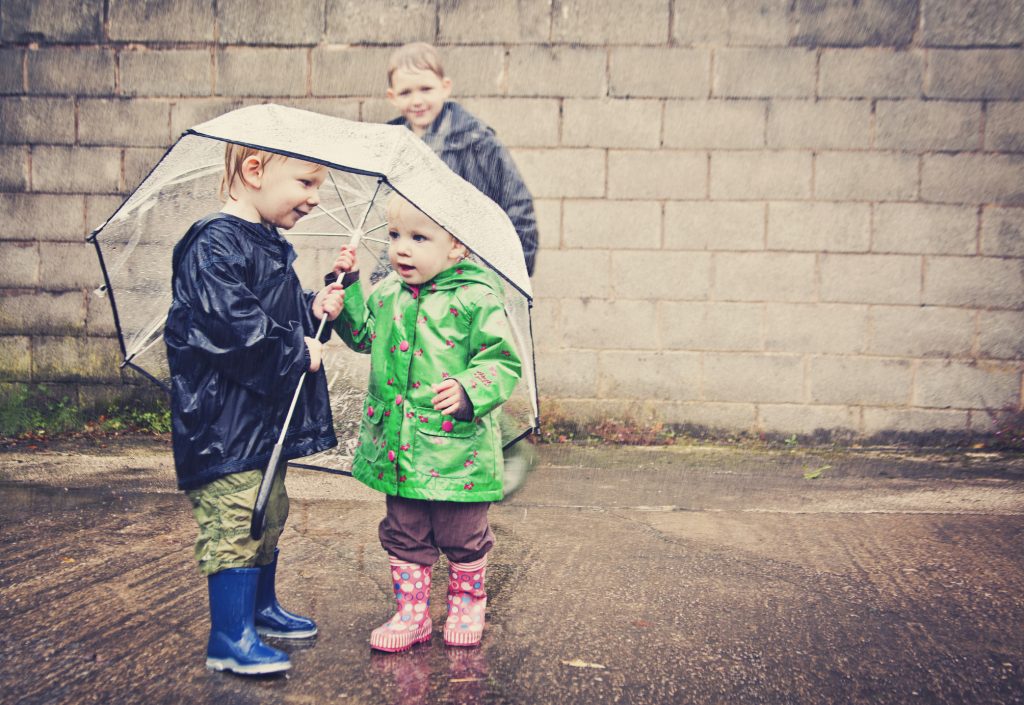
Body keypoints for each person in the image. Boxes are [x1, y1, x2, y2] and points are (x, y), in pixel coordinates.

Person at [164, 145, 346, 675]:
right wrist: (297, 351)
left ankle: (260, 609)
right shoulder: (213, 244)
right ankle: (229, 637)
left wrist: (316, 305)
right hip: (224, 424)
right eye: (306, 184)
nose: (314, 199)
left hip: (260, 421)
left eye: (319, 188)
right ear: (254, 171)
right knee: (237, 519)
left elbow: (277, 312)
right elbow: (233, 326)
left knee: (267, 513)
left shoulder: (265, 241)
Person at [330, 194, 522, 652]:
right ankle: (410, 614)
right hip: (398, 443)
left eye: (419, 238)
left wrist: (470, 388)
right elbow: (363, 336)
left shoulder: (477, 299)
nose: (401, 249)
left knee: (463, 534)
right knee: (404, 530)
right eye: (394, 236)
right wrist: (346, 292)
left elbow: (501, 362)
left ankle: (466, 603)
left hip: (457, 450)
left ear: (456, 247)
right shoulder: (388, 293)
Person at [385, 41, 539, 496]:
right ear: (392, 96)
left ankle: (506, 449)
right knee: (428, 374)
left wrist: (504, 280)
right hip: (418, 285)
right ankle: (430, 471)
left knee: (479, 368)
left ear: (445, 87)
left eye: (426, 88)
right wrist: (381, 276)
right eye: (406, 90)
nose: (417, 99)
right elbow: (389, 219)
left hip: (470, 280)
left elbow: (517, 210)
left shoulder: (476, 141)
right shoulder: (394, 148)